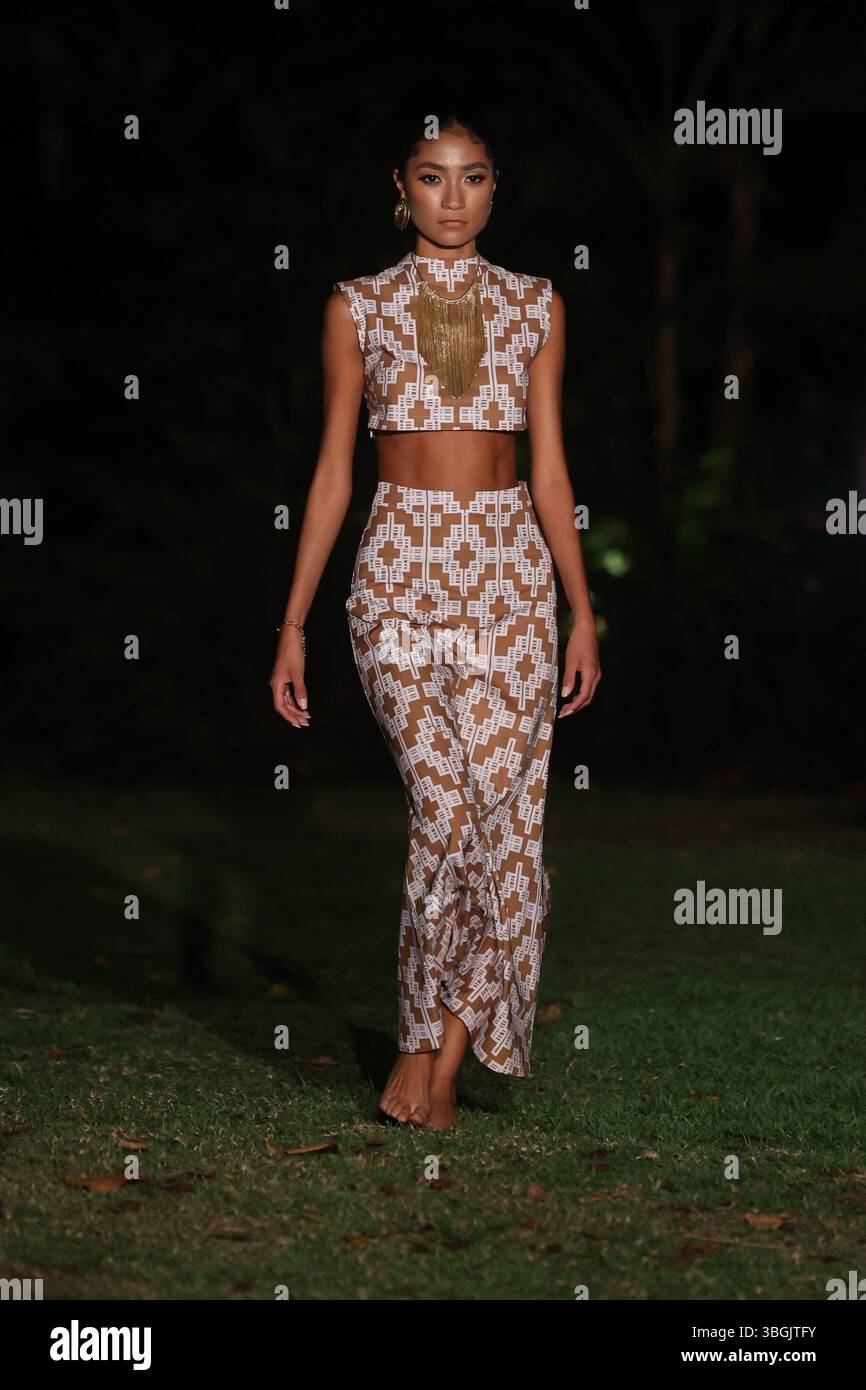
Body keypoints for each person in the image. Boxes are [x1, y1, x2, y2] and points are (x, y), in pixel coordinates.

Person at [269, 110, 600, 1131]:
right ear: (399, 189)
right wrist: (293, 622)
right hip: (398, 573)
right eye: (430, 177)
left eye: (471, 177)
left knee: (505, 829)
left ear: (495, 189)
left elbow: (547, 469)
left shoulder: (534, 303)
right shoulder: (355, 307)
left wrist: (581, 611)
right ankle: (416, 1034)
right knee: (446, 808)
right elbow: (332, 470)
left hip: (509, 574)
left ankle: (440, 1063)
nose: (451, 197)